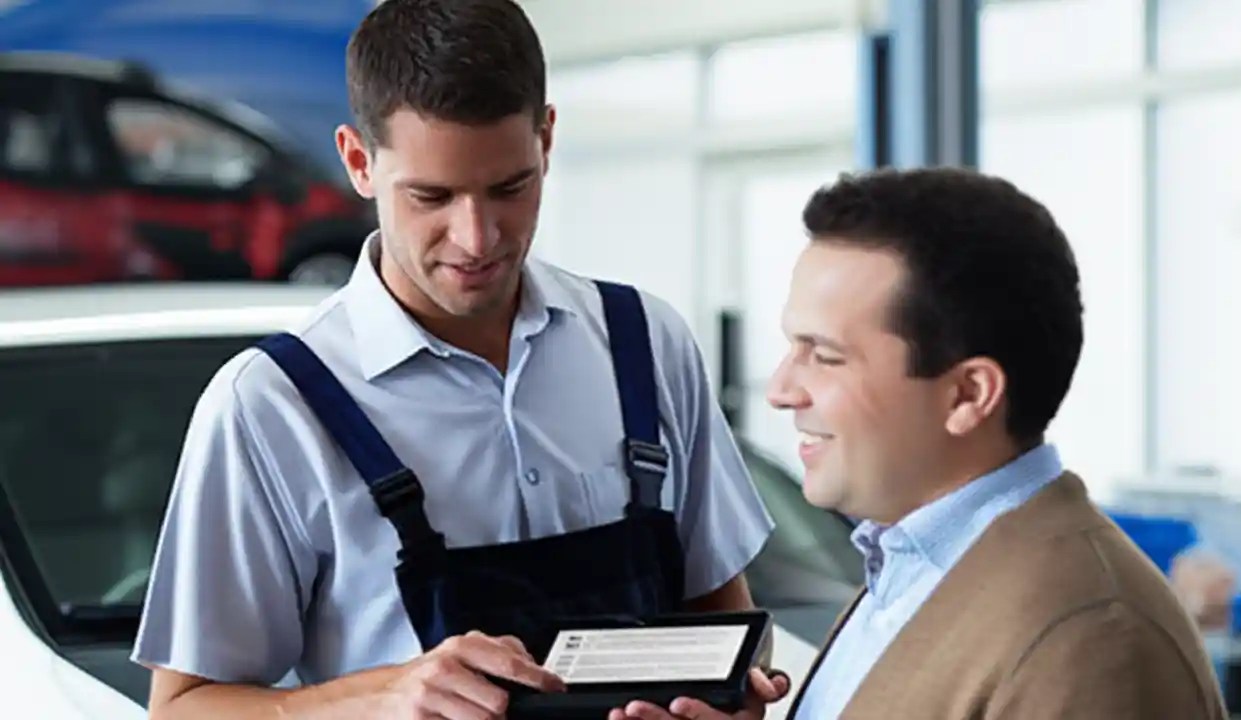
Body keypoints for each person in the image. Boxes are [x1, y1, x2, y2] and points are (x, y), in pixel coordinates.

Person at [130, 1, 777, 717]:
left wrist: (732, 702)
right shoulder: (270, 406)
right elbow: (184, 706)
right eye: (431, 197)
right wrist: (381, 698)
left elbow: (722, 621)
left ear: (547, 139)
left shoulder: (647, 343)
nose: (477, 237)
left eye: (510, 188)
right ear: (357, 162)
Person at [761, 167, 1228, 719]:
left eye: (826, 356)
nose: (781, 390)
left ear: (967, 395)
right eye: (794, 347)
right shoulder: (911, 568)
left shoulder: (1090, 636)